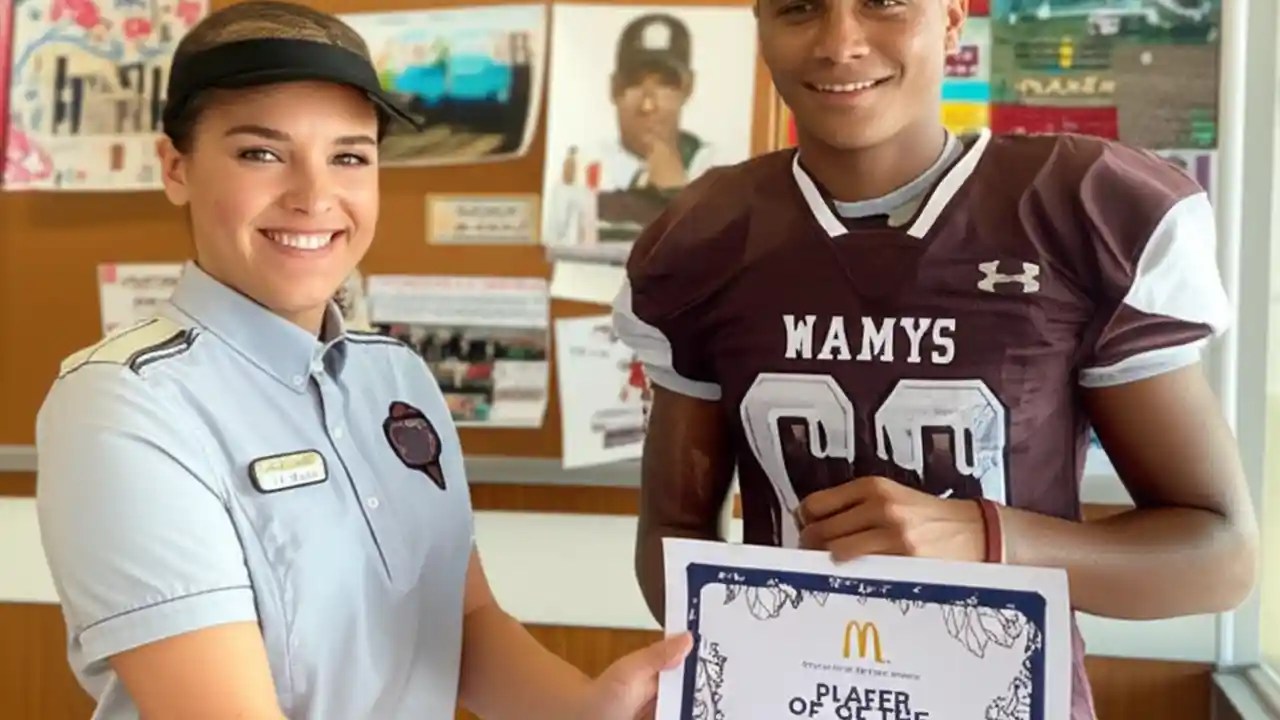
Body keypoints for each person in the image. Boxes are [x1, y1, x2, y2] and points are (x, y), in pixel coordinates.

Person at [34, 3, 689, 719]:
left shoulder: (396, 378)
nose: (314, 197)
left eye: (349, 156)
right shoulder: (125, 404)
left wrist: (596, 710)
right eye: (262, 153)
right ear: (175, 167)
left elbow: (461, 627)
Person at [611, 0, 1258, 717]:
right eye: (799, 8)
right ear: (760, 24)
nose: (840, 43)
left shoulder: (1074, 211)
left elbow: (1218, 556)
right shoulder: (707, 237)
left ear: (952, 16)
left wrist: (990, 538)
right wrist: (722, 671)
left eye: (883, 3)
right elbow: (674, 531)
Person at [544, 12, 715, 251]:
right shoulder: (582, 165)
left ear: (688, 88)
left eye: (665, 85)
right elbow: (555, 254)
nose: (647, 105)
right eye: (634, 84)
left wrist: (676, 193)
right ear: (613, 88)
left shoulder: (716, 167)